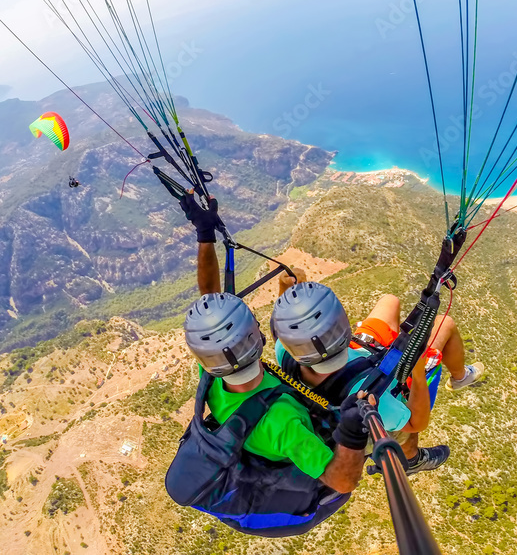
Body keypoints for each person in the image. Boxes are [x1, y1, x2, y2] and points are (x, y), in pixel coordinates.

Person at [164, 191, 371, 537]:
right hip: (305, 496)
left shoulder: (212, 376)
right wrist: (351, 435)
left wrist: (205, 236)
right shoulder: (284, 423)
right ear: (259, 338)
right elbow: (342, 481)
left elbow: (210, 300)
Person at [271, 275, 485, 476]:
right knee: (445, 324)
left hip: (359, 358)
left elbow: (287, 333)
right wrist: (418, 372)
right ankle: (412, 457)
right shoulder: (377, 402)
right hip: (370, 371)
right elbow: (415, 424)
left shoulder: (285, 353)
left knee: (389, 302)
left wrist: (289, 293)